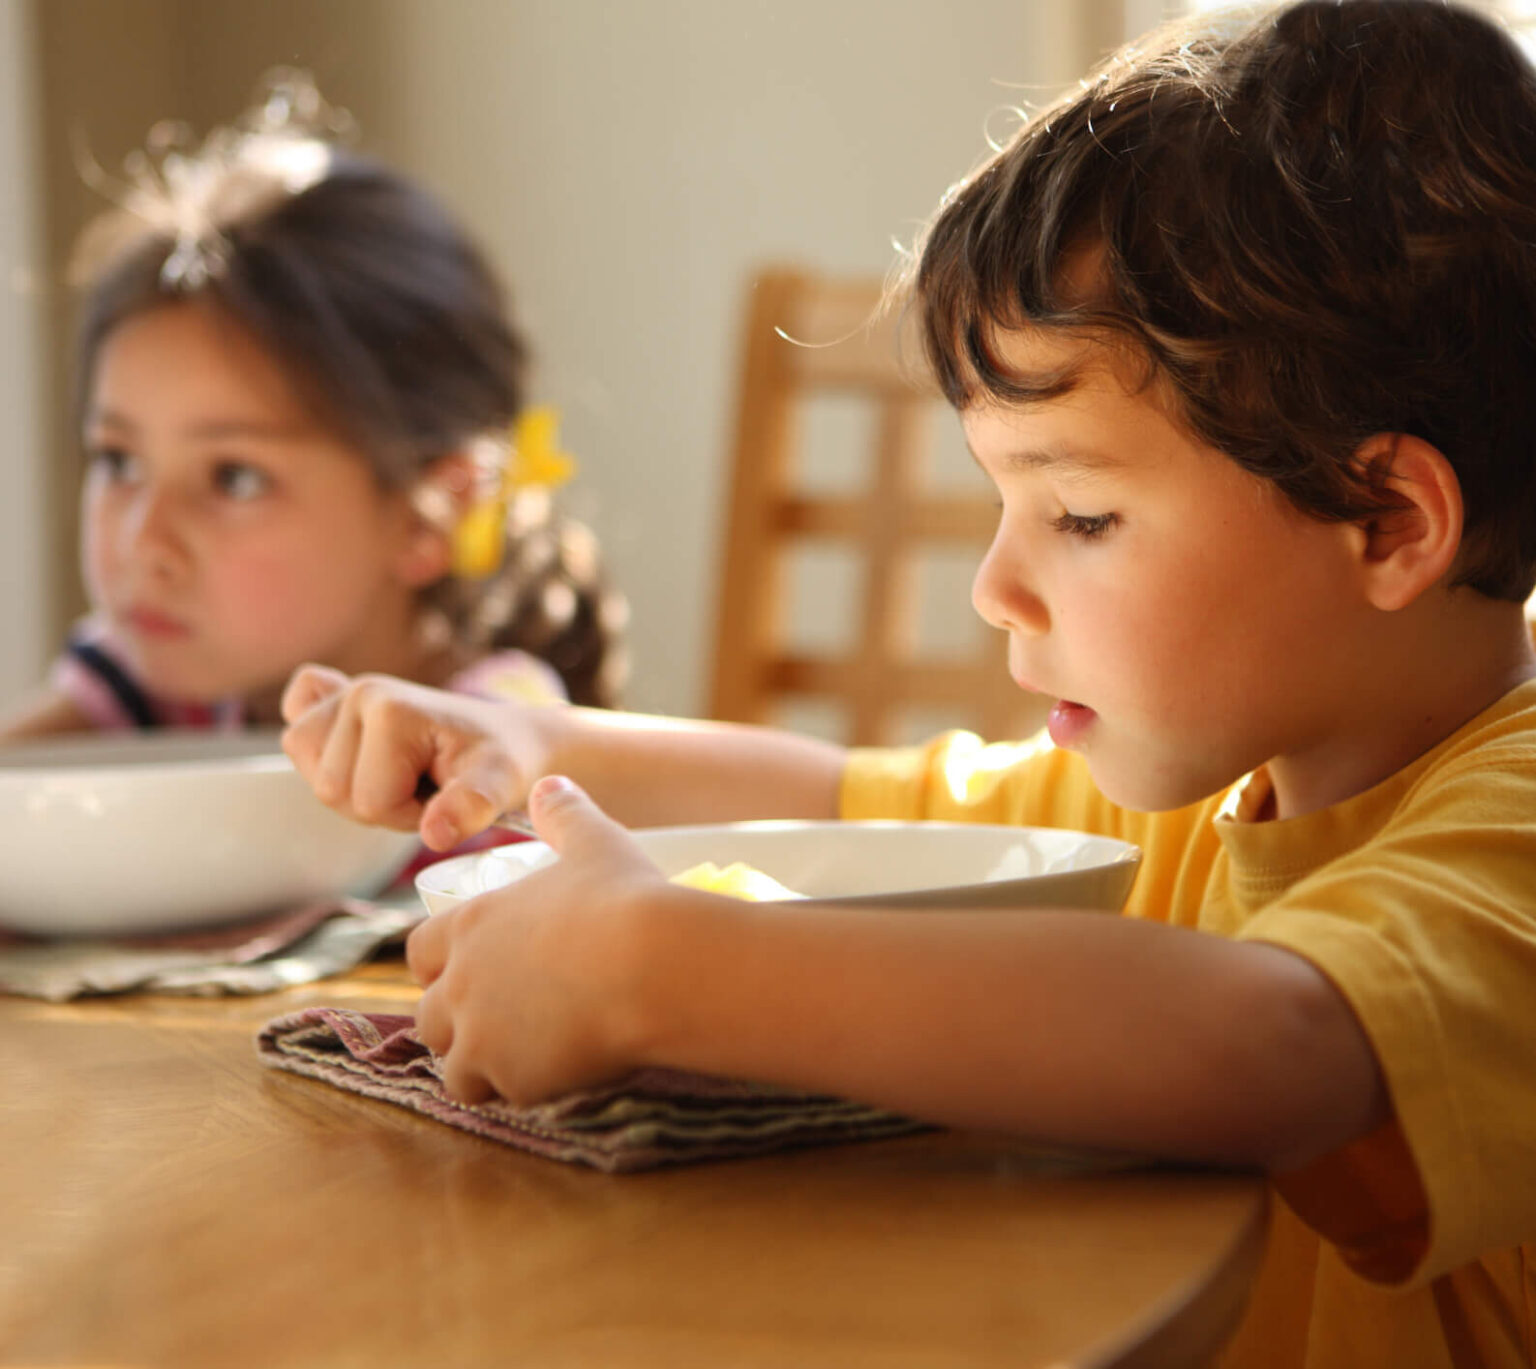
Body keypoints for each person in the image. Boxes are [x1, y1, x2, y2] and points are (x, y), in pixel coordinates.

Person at [279, 4, 1536, 1365]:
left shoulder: (1513, 821)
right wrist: (531, 742)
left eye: (1082, 516)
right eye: (1006, 504)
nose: (994, 585)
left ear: (1385, 523)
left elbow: (1275, 1047)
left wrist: (663, 968)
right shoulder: (1226, 779)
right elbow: (847, 799)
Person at [0, 70, 628, 746]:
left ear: (429, 517)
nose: (143, 544)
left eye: (234, 477)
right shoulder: (151, 689)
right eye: (119, 461)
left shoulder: (497, 741)